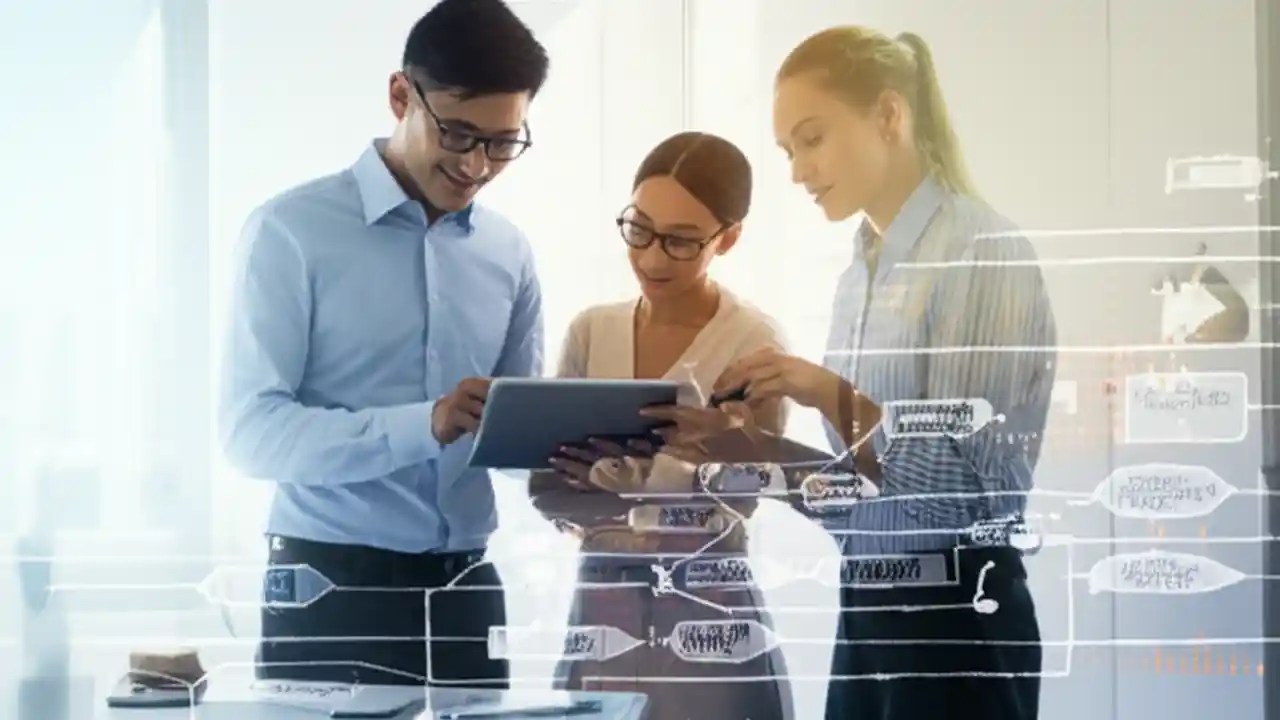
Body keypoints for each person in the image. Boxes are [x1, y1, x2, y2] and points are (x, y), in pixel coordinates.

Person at [642, 26, 1057, 720]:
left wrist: (825, 390)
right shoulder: (856, 274)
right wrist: (745, 452)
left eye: (812, 139)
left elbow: (960, 502)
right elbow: (864, 506)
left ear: (889, 117)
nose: (798, 171)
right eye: (787, 151)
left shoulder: (982, 251)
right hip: (868, 608)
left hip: (957, 620)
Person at [217, 0, 549, 687]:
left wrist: (594, 456)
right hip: (330, 587)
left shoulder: (509, 252)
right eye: (458, 134)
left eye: (503, 142)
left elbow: (513, 438)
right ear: (401, 95)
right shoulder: (290, 233)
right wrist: (424, 424)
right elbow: (249, 433)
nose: (479, 165)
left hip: (468, 589)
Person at [528, 131, 794, 720]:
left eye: (679, 241)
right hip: (603, 601)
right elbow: (551, 492)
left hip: (707, 602)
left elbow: (747, 497)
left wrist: (623, 488)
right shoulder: (591, 331)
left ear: (728, 238)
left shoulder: (754, 342)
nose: (651, 258)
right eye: (640, 229)